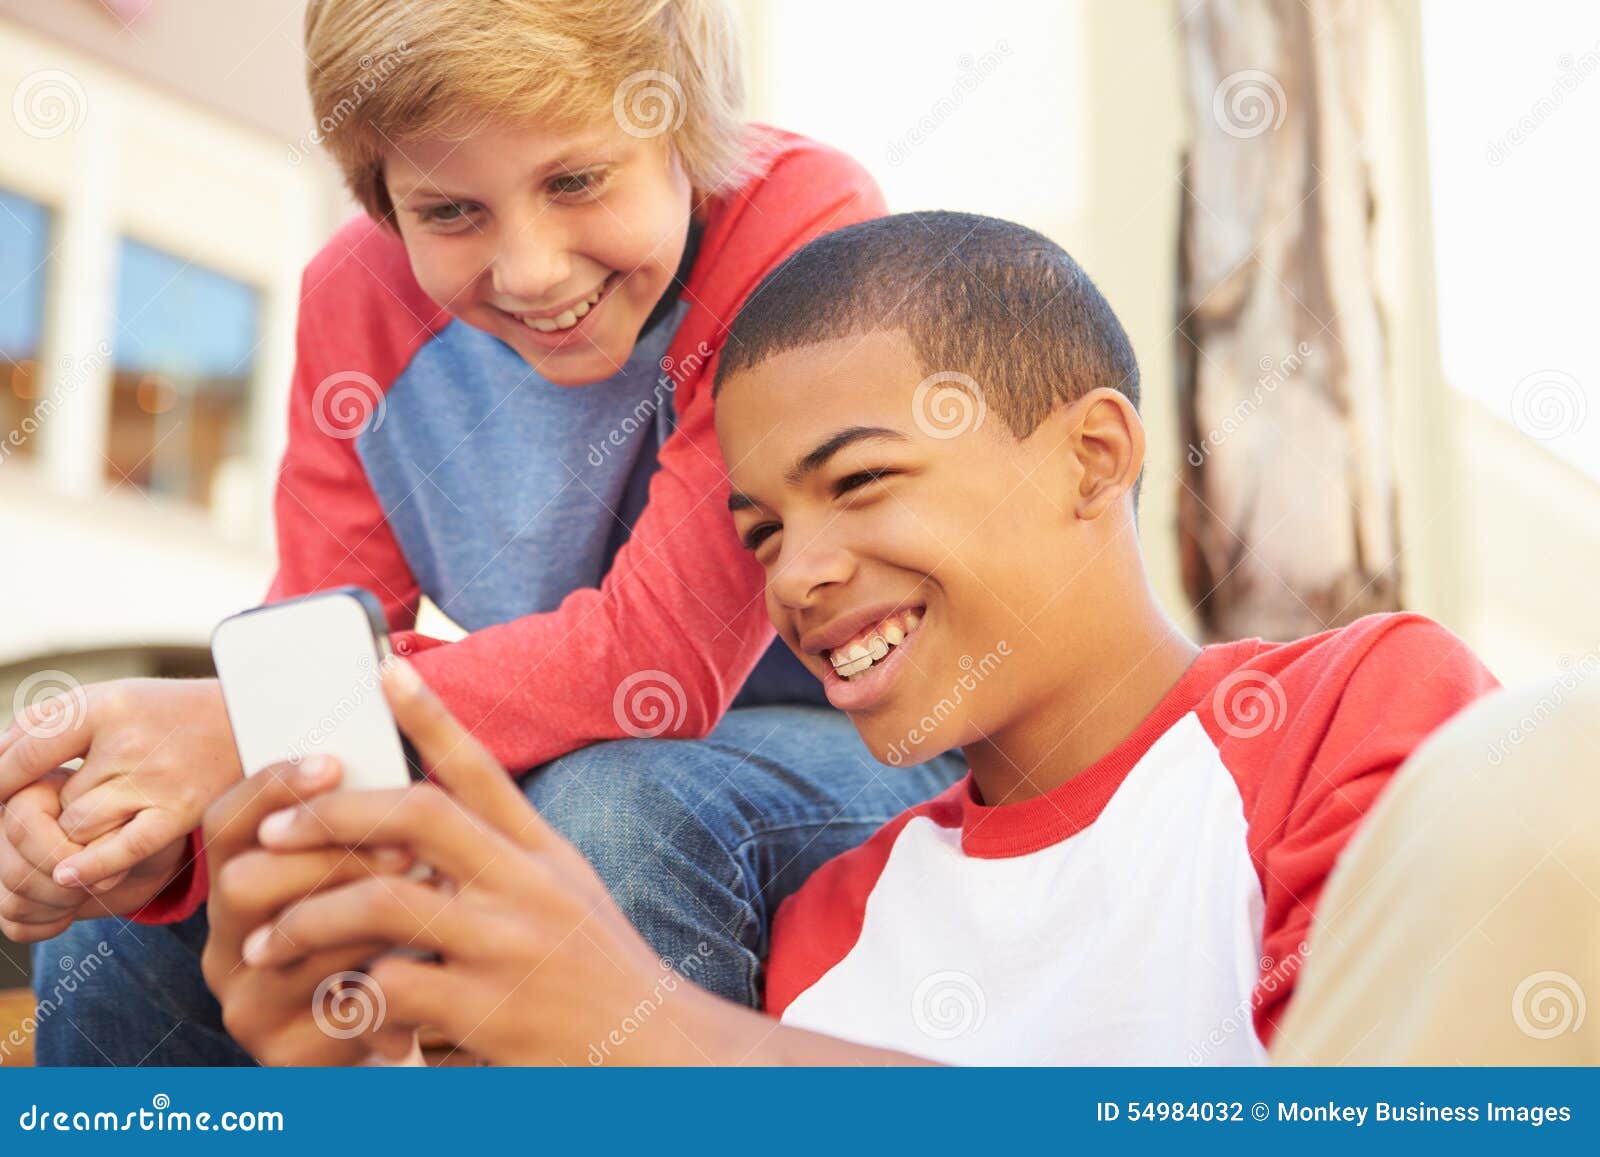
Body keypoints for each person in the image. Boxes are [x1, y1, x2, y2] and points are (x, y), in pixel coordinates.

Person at [198, 213, 1594, 1065]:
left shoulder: (1356, 709)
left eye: (860, 483)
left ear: (1095, 456)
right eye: (756, 532)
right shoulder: (826, 922)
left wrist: (663, 1037)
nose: (799, 576)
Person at [6, 1, 961, 1065]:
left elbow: (661, 661)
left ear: (683, 126)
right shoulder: (352, 299)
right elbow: (309, 659)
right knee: (144, 910)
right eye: (450, 212)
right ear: (383, 206)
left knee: (611, 811)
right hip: (549, 748)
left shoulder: (801, 221)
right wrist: (153, 841)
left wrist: (243, 722)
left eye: (576, 180)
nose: (533, 269)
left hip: (864, 742)